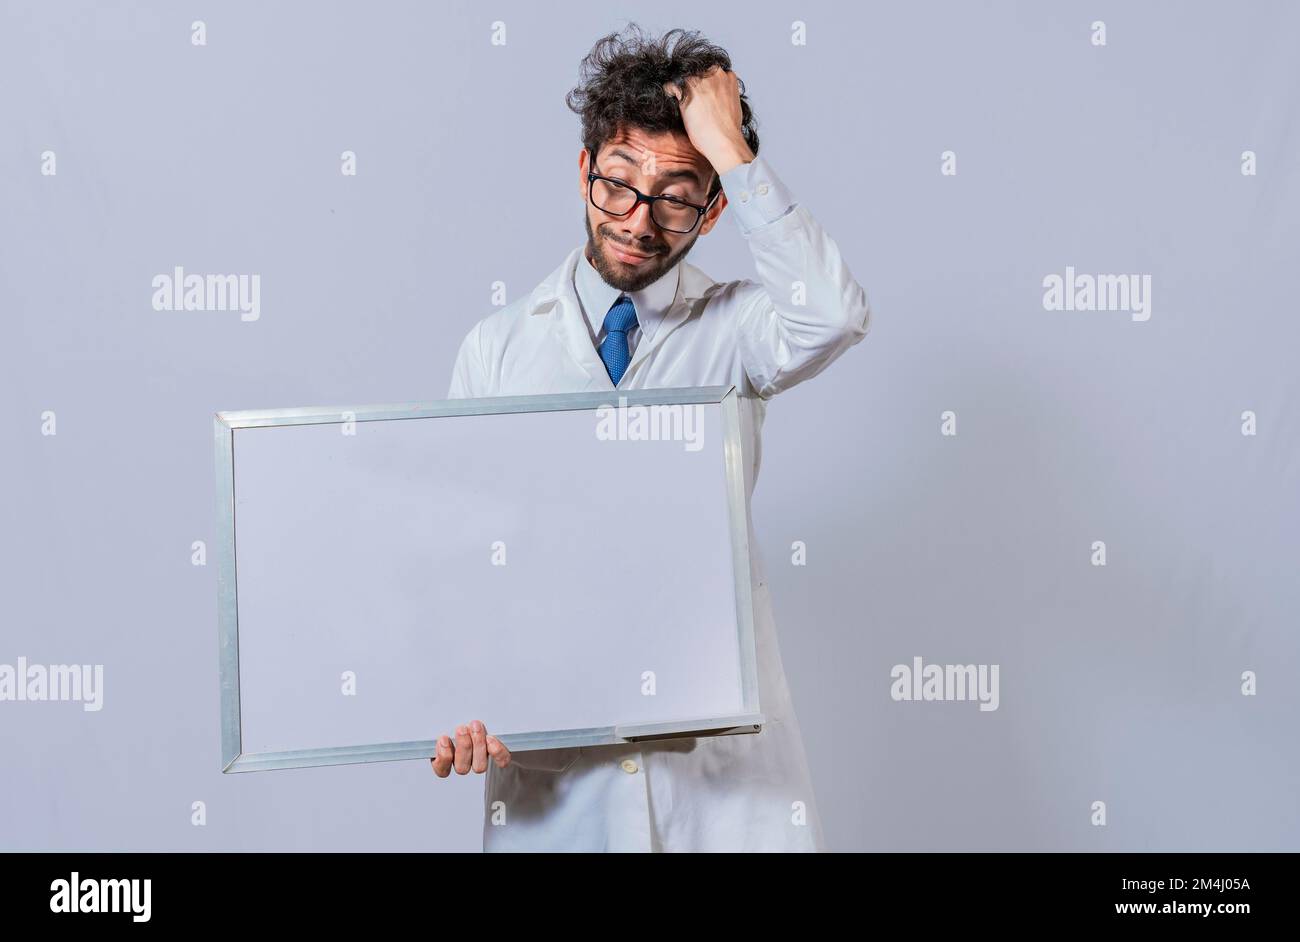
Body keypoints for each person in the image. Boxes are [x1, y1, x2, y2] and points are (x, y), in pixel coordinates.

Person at [429, 24, 871, 852]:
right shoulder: (498, 348)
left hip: (724, 784)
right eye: (618, 183)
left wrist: (731, 150)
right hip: (555, 781)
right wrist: (457, 697)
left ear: (712, 213)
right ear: (584, 171)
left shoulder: (738, 327)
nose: (638, 219)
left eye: (676, 194)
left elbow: (834, 314)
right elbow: (463, 559)